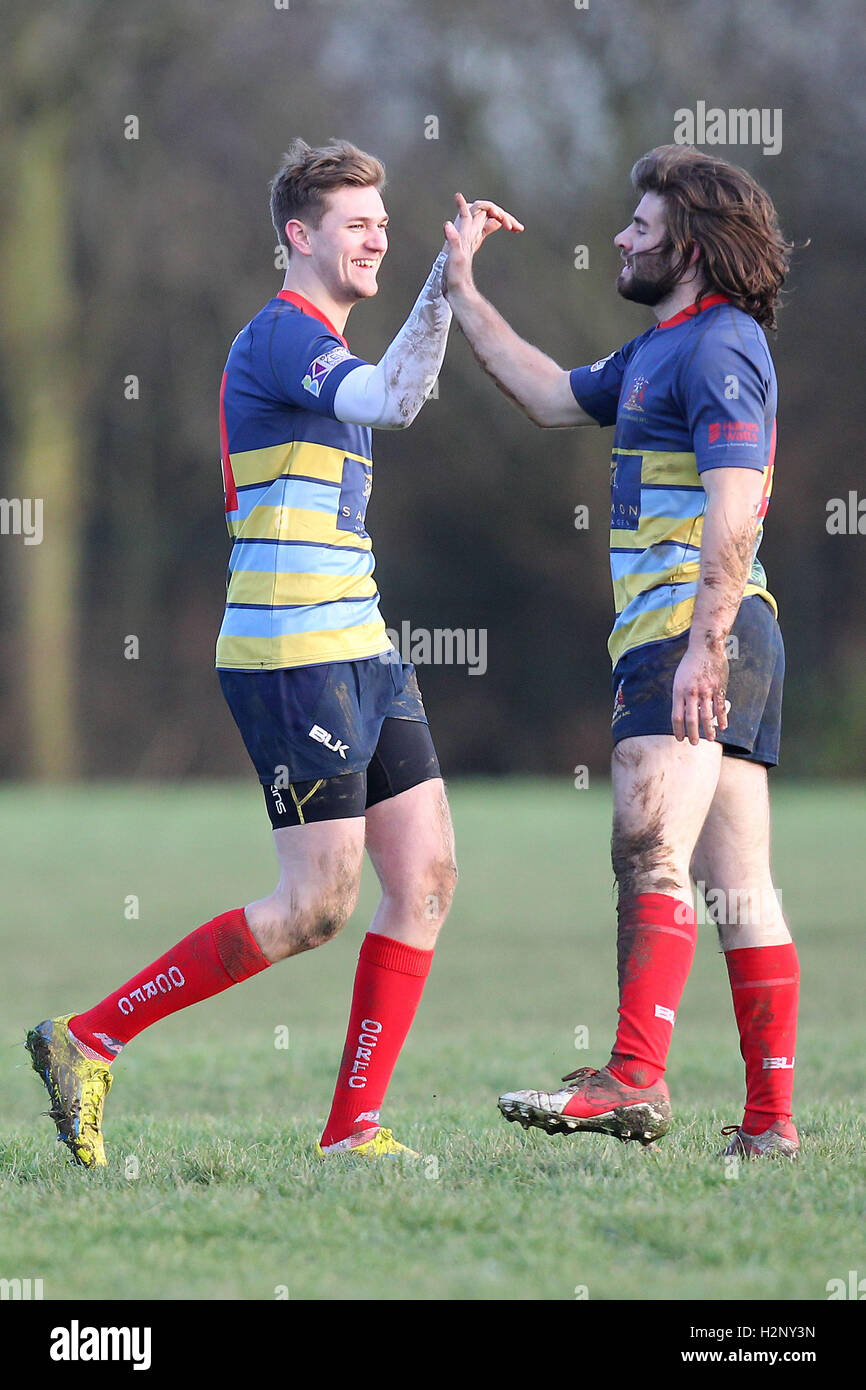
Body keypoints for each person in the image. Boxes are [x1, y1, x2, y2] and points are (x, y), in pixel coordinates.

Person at [25, 139, 522, 1167]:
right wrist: (447, 279)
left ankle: (351, 1133)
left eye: (384, 220)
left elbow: (397, 389)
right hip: (291, 650)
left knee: (424, 874)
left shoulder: (329, 347)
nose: (376, 233)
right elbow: (392, 396)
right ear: (298, 238)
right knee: (314, 905)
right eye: (356, 221)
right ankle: (88, 1037)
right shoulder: (280, 339)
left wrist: (442, 275)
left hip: (362, 642)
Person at [442, 145, 799, 1158]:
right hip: (719, 637)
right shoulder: (658, 350)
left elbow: (734, 508)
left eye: (637, 227)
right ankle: (768, 1128)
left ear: (684, 247)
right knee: (739, 886)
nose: (618, 238)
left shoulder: (717, 346)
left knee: (647, 849)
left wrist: (701, 643)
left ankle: (633, 1077)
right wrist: (462, 286)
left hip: (692, 637)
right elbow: (549, 392)